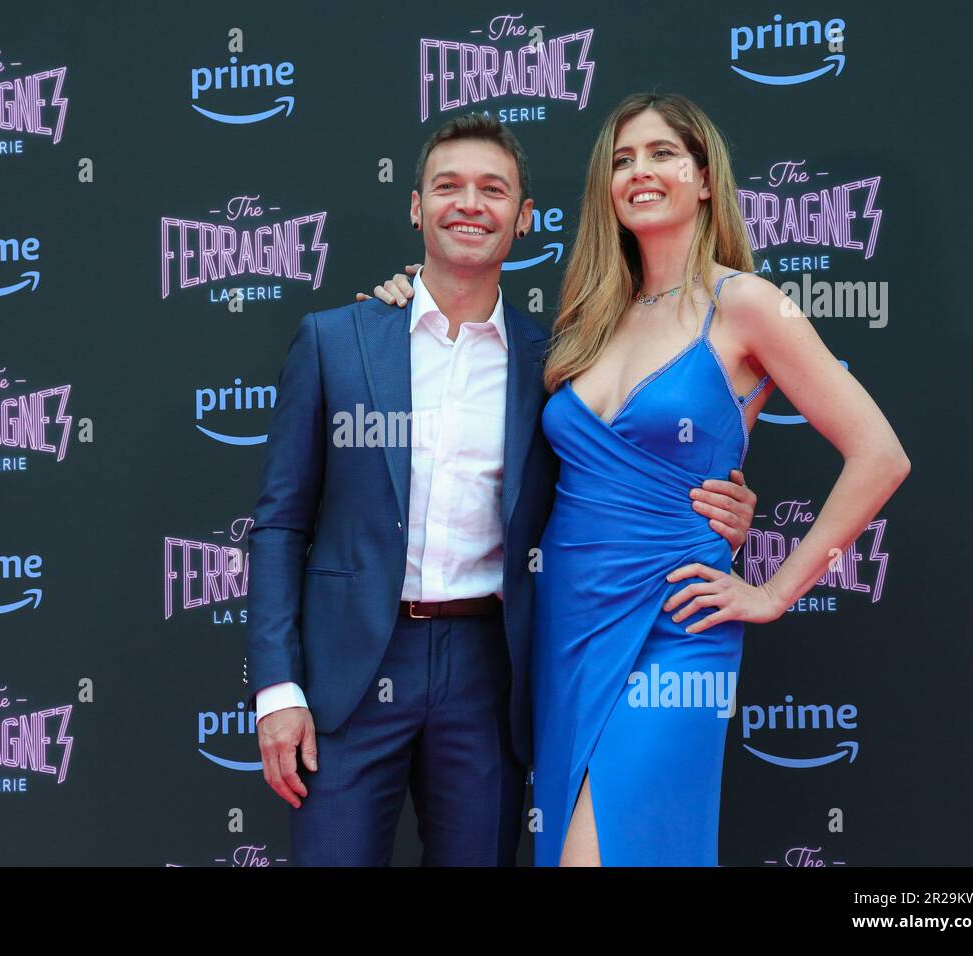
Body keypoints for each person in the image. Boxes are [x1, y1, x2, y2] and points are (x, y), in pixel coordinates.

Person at [368, 93, 910, 867]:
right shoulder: (589, 315)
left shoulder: (747, 305)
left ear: (704, 180)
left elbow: (880, 453)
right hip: (567, 627)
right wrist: (400, 301)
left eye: (661, 154)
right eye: (622, 160)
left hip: (675, 628)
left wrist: (773, 589)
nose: (639, 172)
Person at [247, 113, 758, 866]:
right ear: (416, 207)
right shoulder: (338, 341)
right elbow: (279, 524)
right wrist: (277, 690)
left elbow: (615, 477)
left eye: (493, 190)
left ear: (522, 219)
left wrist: (718, 504)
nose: (469, 204)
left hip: (491, 675)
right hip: (349, 672)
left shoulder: (555, 364)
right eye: (447, 186)